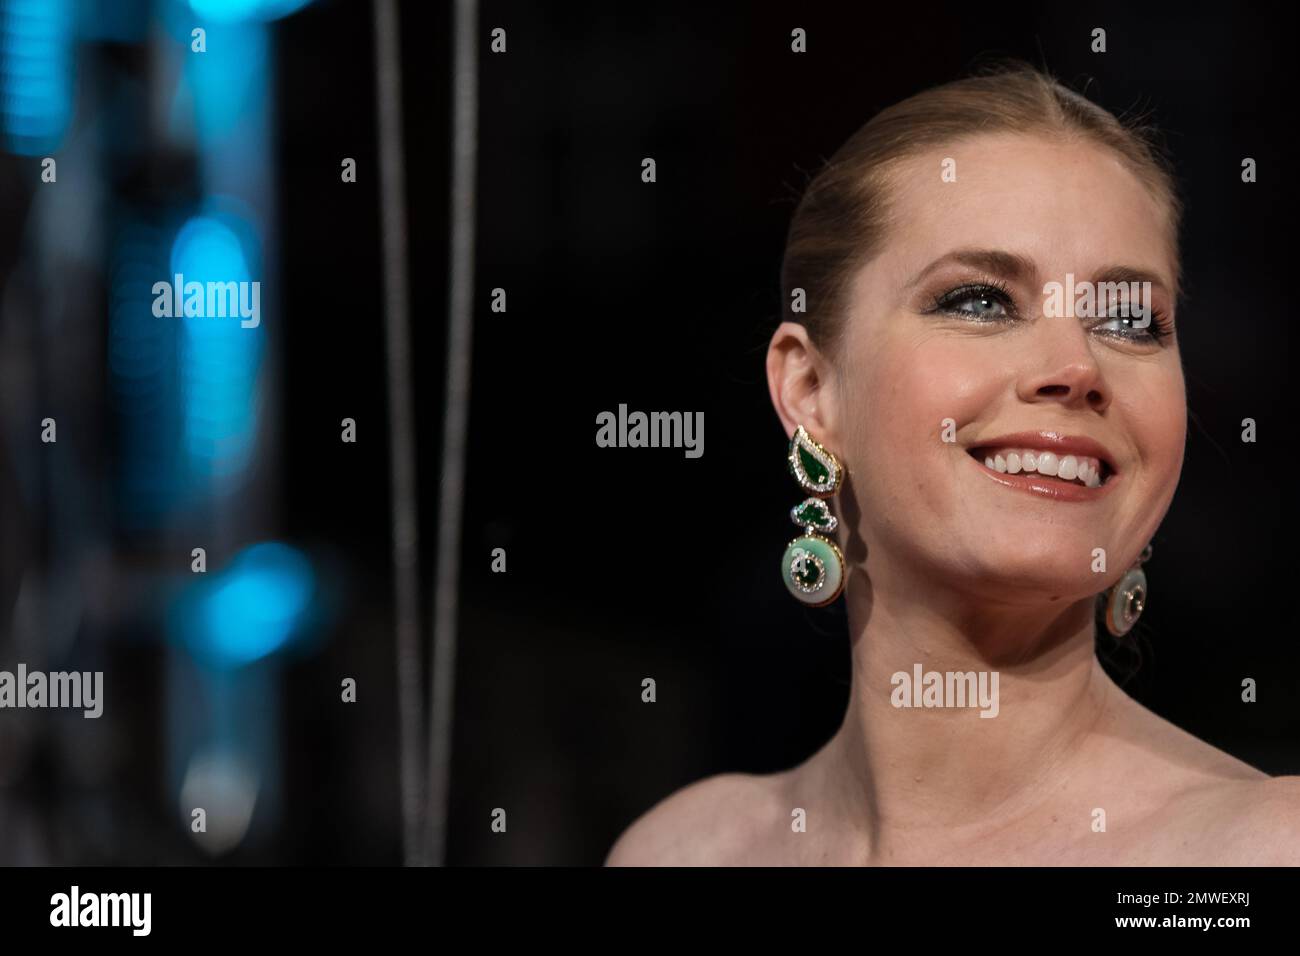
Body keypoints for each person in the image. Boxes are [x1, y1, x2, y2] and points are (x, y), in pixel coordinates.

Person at [606, 63, 1299, 866]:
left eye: (1132, 321)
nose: (1074, 366)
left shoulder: (1256, 853)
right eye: (980, 301)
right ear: (810, 388)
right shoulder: (683, 852)